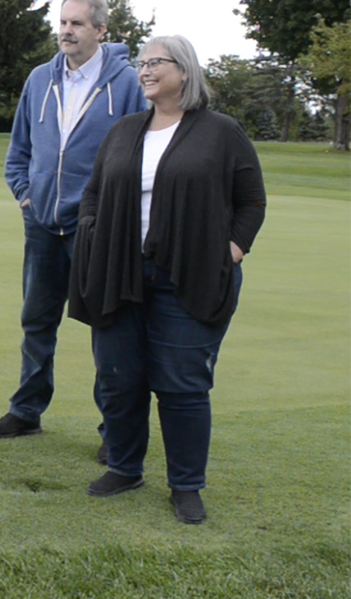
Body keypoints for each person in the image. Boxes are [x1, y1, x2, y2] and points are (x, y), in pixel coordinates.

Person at [68, 35, 266, 524]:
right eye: (142, 63)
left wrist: (232, 250)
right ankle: (125, 467)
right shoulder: (125, 130)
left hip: (189, 277)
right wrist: (92, 235)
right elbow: (93, 193)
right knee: (118, 378)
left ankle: (186, 485)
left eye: (156, 62)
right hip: (120, 272)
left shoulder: (221, 132)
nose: (145, 69)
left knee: (181, 386)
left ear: (185, 70)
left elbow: (252, 201)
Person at [0, 0, 145, 465]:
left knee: (105, 327)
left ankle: (113, 429)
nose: (66, 31)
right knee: (37, 320)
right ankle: (27, 410)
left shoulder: (128, 83)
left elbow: (139, 154)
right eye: (63, 22)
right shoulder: (40, 79)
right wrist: (25, 193)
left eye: (77, 23)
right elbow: (19, 148)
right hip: (41, 222)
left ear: (100, 31)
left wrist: (113, 213)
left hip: (96, 228)